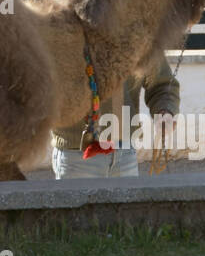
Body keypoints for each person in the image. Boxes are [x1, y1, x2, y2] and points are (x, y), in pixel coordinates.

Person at [51, 51, 179, 178]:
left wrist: (165, 110)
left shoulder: (139, 33)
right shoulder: (64, 34)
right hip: (76, 155)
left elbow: (162, 85)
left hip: (125, 153)